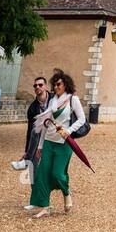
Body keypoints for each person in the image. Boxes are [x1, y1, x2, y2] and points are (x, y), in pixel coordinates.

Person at [26, 70, 87, 218]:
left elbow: (82, 119)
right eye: (54, 84)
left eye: (58, 84)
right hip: (48, 142)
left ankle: (66, 192)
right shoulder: (52, 101)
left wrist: (69, 130)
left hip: (64, 143)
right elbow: (45, 125)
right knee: (43, 174)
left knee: (57, 174)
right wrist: (40, 146)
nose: (56, 87)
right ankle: (45, 207)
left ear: (65, 84)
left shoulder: (73, 100)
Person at [10, 75, 50, 187]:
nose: (37, 87)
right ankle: (34, 195)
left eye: (40, 85)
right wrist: (27, 150)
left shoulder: (54, 99)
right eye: (35, 85)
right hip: (39, 138)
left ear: (45, 86)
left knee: (54, 170)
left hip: (54, 136)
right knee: (33, 165)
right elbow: (29, 130)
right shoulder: (32, 108)